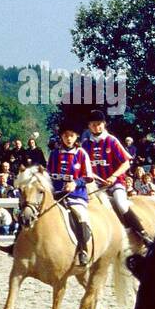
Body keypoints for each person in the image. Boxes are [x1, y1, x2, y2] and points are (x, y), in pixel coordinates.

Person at [82, 109, 153, 246]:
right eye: (93, 124)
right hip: (95, 185)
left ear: (104, 124)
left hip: (115, 182)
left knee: (120, 203)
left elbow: (126, 163)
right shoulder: (85, 144)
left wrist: (114, 176)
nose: (96, 127)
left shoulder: (112, 141)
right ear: (89, 126)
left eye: (99, 124)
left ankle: (142, 233)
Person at [46, 109, 97, 267]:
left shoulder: (81, 154)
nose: (68, 138)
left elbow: (88, 176)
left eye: (71, 135)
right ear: (61, 136)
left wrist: (75, 183)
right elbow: (48, 175)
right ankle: (17, 245)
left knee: (80, 216)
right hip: (56, 195)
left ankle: (83, 250)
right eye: (65, 135)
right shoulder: (54, 154)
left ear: (76, 137)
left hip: (76, 196)